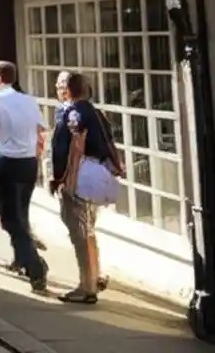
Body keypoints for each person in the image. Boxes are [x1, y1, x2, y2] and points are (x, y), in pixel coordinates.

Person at [51, 71, 122, 304]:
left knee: (79, 234)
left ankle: (86, 286)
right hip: (98, 174)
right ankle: (95, 275)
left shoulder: (69, 113)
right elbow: (110, 141)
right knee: (89, 231)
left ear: (68, 90)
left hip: (80, 176)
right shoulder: (95, 113)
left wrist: (58, 177)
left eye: (61, 86)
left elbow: (62, 149)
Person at [0, 60, 50, 294]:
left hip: (6, 162)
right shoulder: (29, 101)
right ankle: (20, 258)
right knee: (21, 213)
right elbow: (41, 133)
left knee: (10, 220)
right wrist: (37, 157)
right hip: (28, 163)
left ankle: (36, 266)